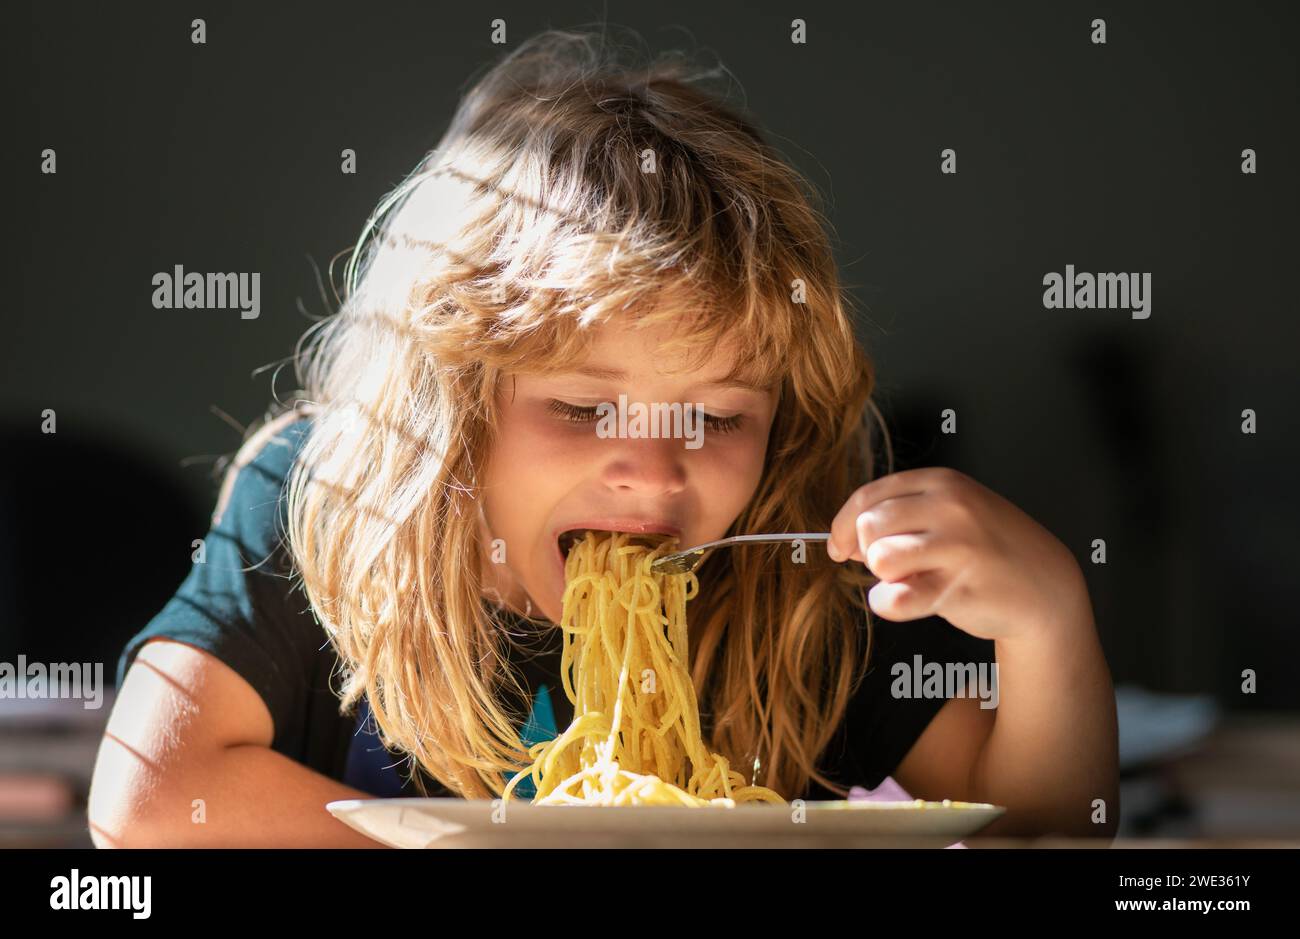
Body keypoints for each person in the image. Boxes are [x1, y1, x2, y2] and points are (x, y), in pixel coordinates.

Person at [88, 28, 1117, 847]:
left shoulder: (802, 564)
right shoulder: (327, 503)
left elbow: (1038, 831)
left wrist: (1048, 621)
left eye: (717, 418)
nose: (654, 468)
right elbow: (148, 801)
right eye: (583, 410)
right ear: (444, 405)